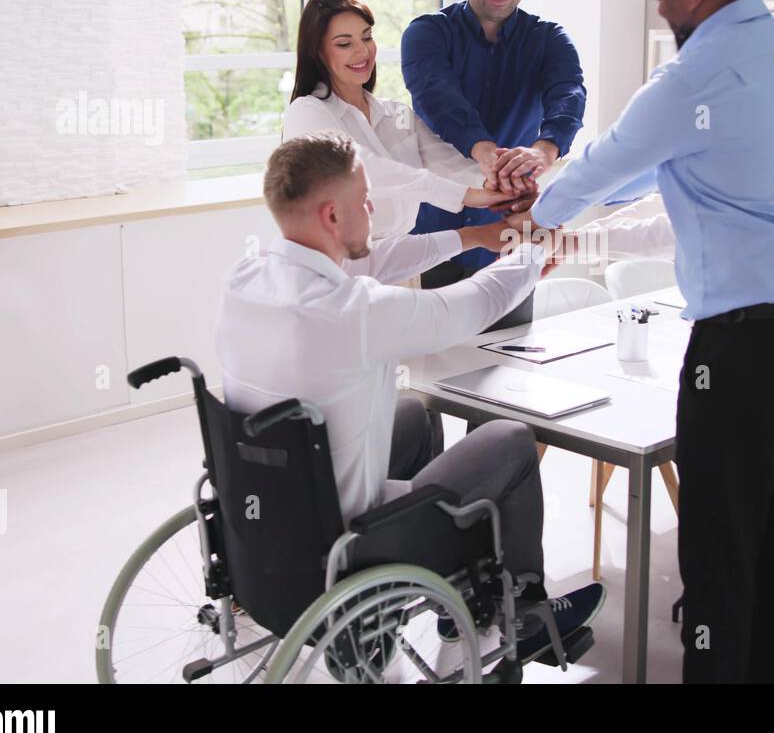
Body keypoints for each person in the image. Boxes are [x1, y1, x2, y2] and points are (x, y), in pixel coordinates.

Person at [514, 0, 774, 683]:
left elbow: (606, 163)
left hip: (753, 353)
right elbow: (678, 162)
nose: (658, 12)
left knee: (720, 554)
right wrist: (581, 216)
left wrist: (535, 215)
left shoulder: (694, 75)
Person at [214, 133, 604, 663]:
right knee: (510, 437)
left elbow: (373, 260)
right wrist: (532, 252)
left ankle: (440, 611)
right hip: (348, 538)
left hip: (265, 515)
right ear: (331, 215)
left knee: (415, 418)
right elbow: (469, 305)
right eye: (364, 200)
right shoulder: (350, 312)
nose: (373, 209)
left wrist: (479, 237)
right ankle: (524, 619)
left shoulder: (247, 277)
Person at [401, 0, 586, 330]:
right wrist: (487, 154)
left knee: (511, 362)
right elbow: (437, 98)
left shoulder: (550, 40)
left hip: (514, 239)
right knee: (438, 365)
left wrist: (543, 152)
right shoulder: (426, 33)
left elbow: (569, 94)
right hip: (437, 236)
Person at [281, 0, 519, 241]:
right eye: (344, 43)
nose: (363, 52)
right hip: (340, 265)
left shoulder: (396, 114)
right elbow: (359, 169)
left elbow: (447, 162)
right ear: (316, 52)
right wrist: (464, 196)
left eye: (367, 37)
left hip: (402, 256)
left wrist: (501, 184)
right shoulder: (307, 112)